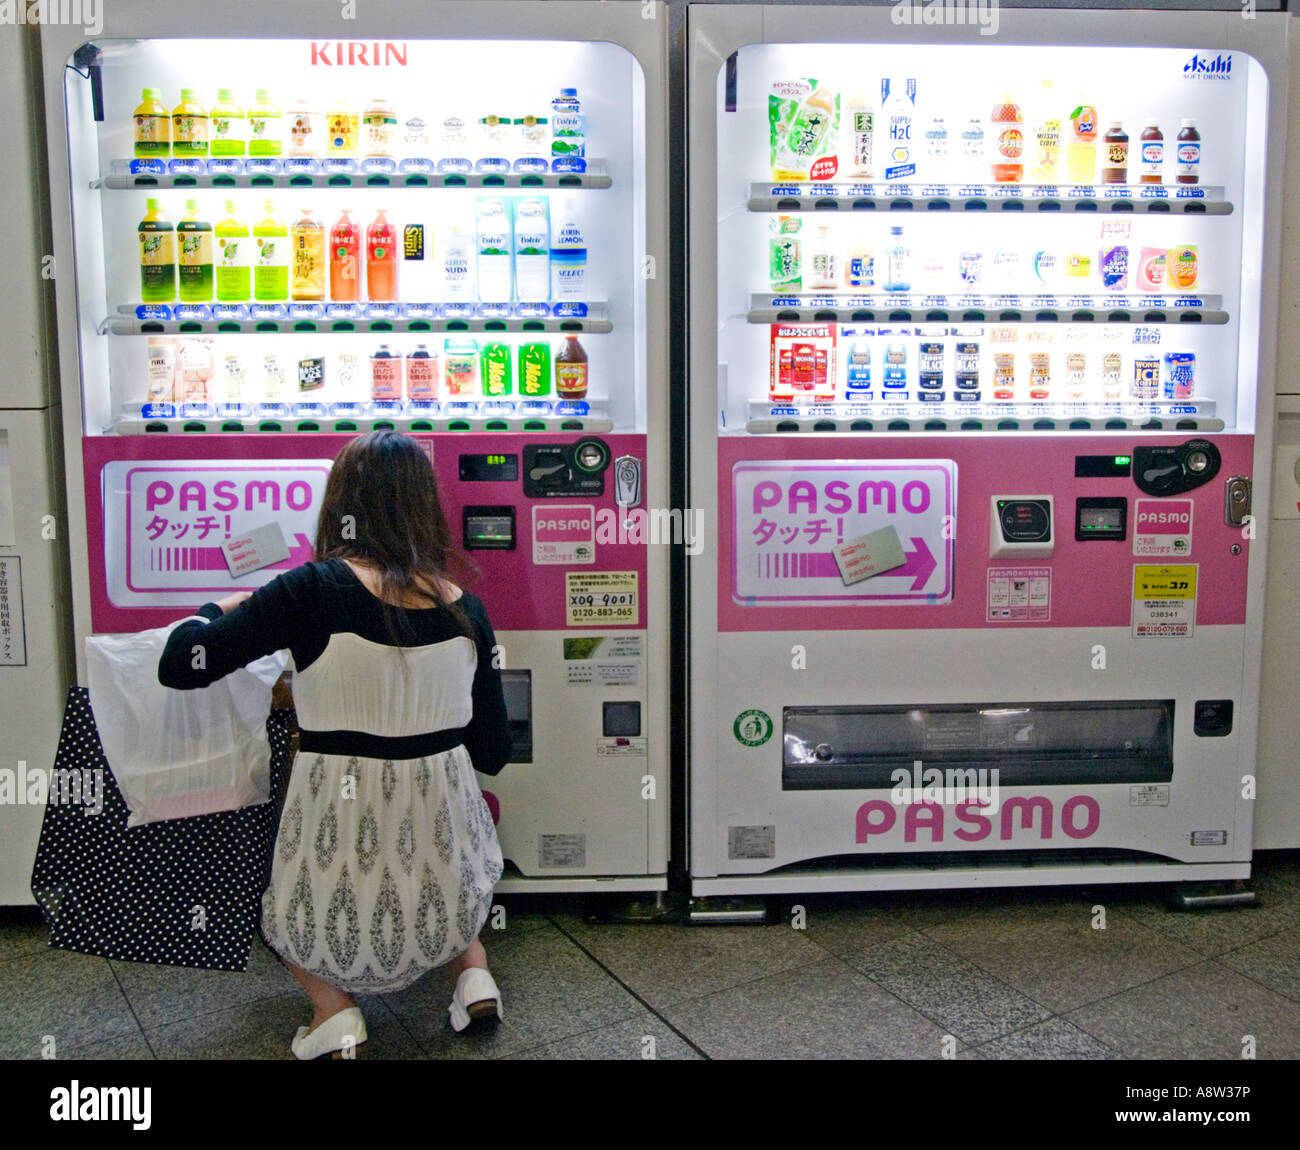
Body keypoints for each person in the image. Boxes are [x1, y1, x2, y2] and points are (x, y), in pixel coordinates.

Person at [158, 430, 512, 1058]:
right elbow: (492, 753)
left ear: (341, 503)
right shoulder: (470, 612)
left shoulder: (311, 590)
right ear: (424, 508)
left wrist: (220, 607)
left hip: (334, 838)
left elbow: (182, 664)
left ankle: (334, 1011)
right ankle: (473, 972)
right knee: (454, 841)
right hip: (442, 853)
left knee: (263, 873)